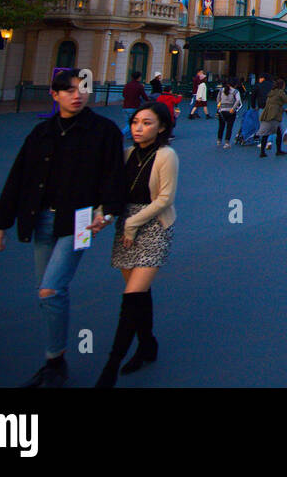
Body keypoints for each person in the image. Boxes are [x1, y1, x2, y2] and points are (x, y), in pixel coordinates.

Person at [0, 68, 125, 387]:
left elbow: (114, 175)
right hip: (41, 218)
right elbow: (18, 178)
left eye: (83, 89)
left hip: (81, 220)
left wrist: (108, 211)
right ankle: (55, 360)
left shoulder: (104, 131)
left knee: (51, 288)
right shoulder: (41, 133)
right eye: (70, 90)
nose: (78, 95)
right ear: (55, 94)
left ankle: (54, 364)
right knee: (47, 293)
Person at [95, 102, 178, 387]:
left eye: (147, 123)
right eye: (135, 122)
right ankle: (147, 344)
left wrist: (131, 224)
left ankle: (111, 364)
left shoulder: (167, 155)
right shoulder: (127, 154)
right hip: (126, 226)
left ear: (162, 127)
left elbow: (164, 199)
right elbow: (113, 192)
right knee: (139, 293)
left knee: (131, 297)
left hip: (154, 226)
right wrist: (101, 214)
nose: (139, 128)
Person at [258, 79, 287, 157]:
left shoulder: (271, 92)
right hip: (275, 114)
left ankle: (262, 152)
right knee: (279, 133)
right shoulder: (280, 92)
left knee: (265, 134)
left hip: (267, 113)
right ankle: (278, 150)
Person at [121, 71, 147, 142]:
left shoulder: (127, 85)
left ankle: (129, 136)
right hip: (134, 106)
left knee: (127, 122)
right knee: (132, 123)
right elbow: (144, 96)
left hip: (125, 106)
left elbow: (123, 94)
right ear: (138, 78)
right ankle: (121, 133)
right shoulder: (139, 86)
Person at [215, 81, 241, 148]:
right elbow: (238, 100)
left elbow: (218, 99)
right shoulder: (235, 91)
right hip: (230, 110)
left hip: (222, 110)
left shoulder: (221, 90)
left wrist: (219, 106)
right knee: (229, 127)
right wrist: (233, 108)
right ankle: (227, 143)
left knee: (221, 126)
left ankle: (219, 140)